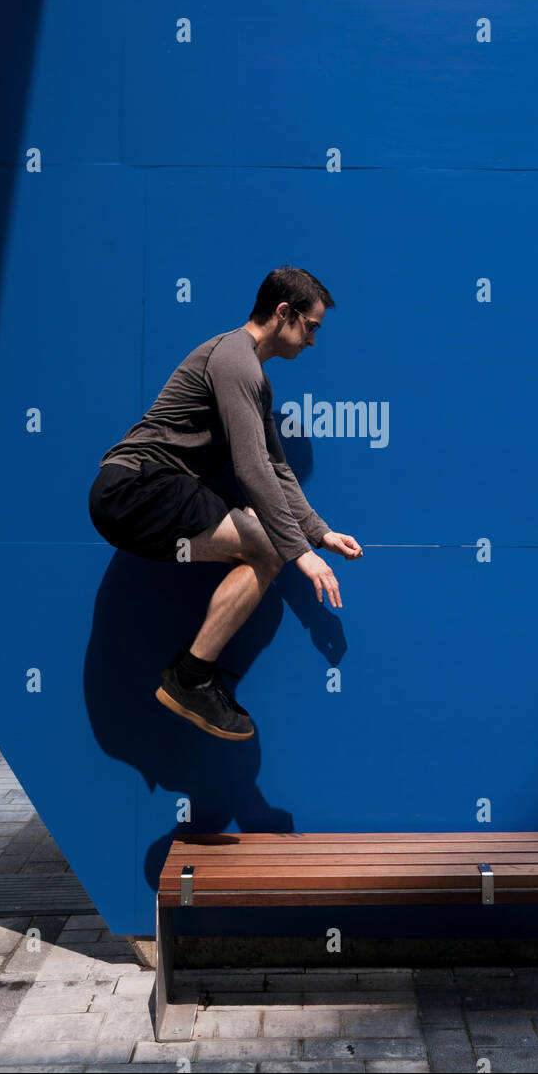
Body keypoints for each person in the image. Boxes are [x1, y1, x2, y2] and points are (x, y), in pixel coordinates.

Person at [88, 266, 363, 741]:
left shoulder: (252, 374)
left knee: (265, 539)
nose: (313, 341)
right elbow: (252, 471)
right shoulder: (236, 362)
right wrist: (303, 556)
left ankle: (191, 676)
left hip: (148, 491)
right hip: (136, 488)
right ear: (284, 314)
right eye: (311, 327)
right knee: (270, 544)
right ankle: (191, 678)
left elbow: (276, 469)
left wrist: (319, 532)